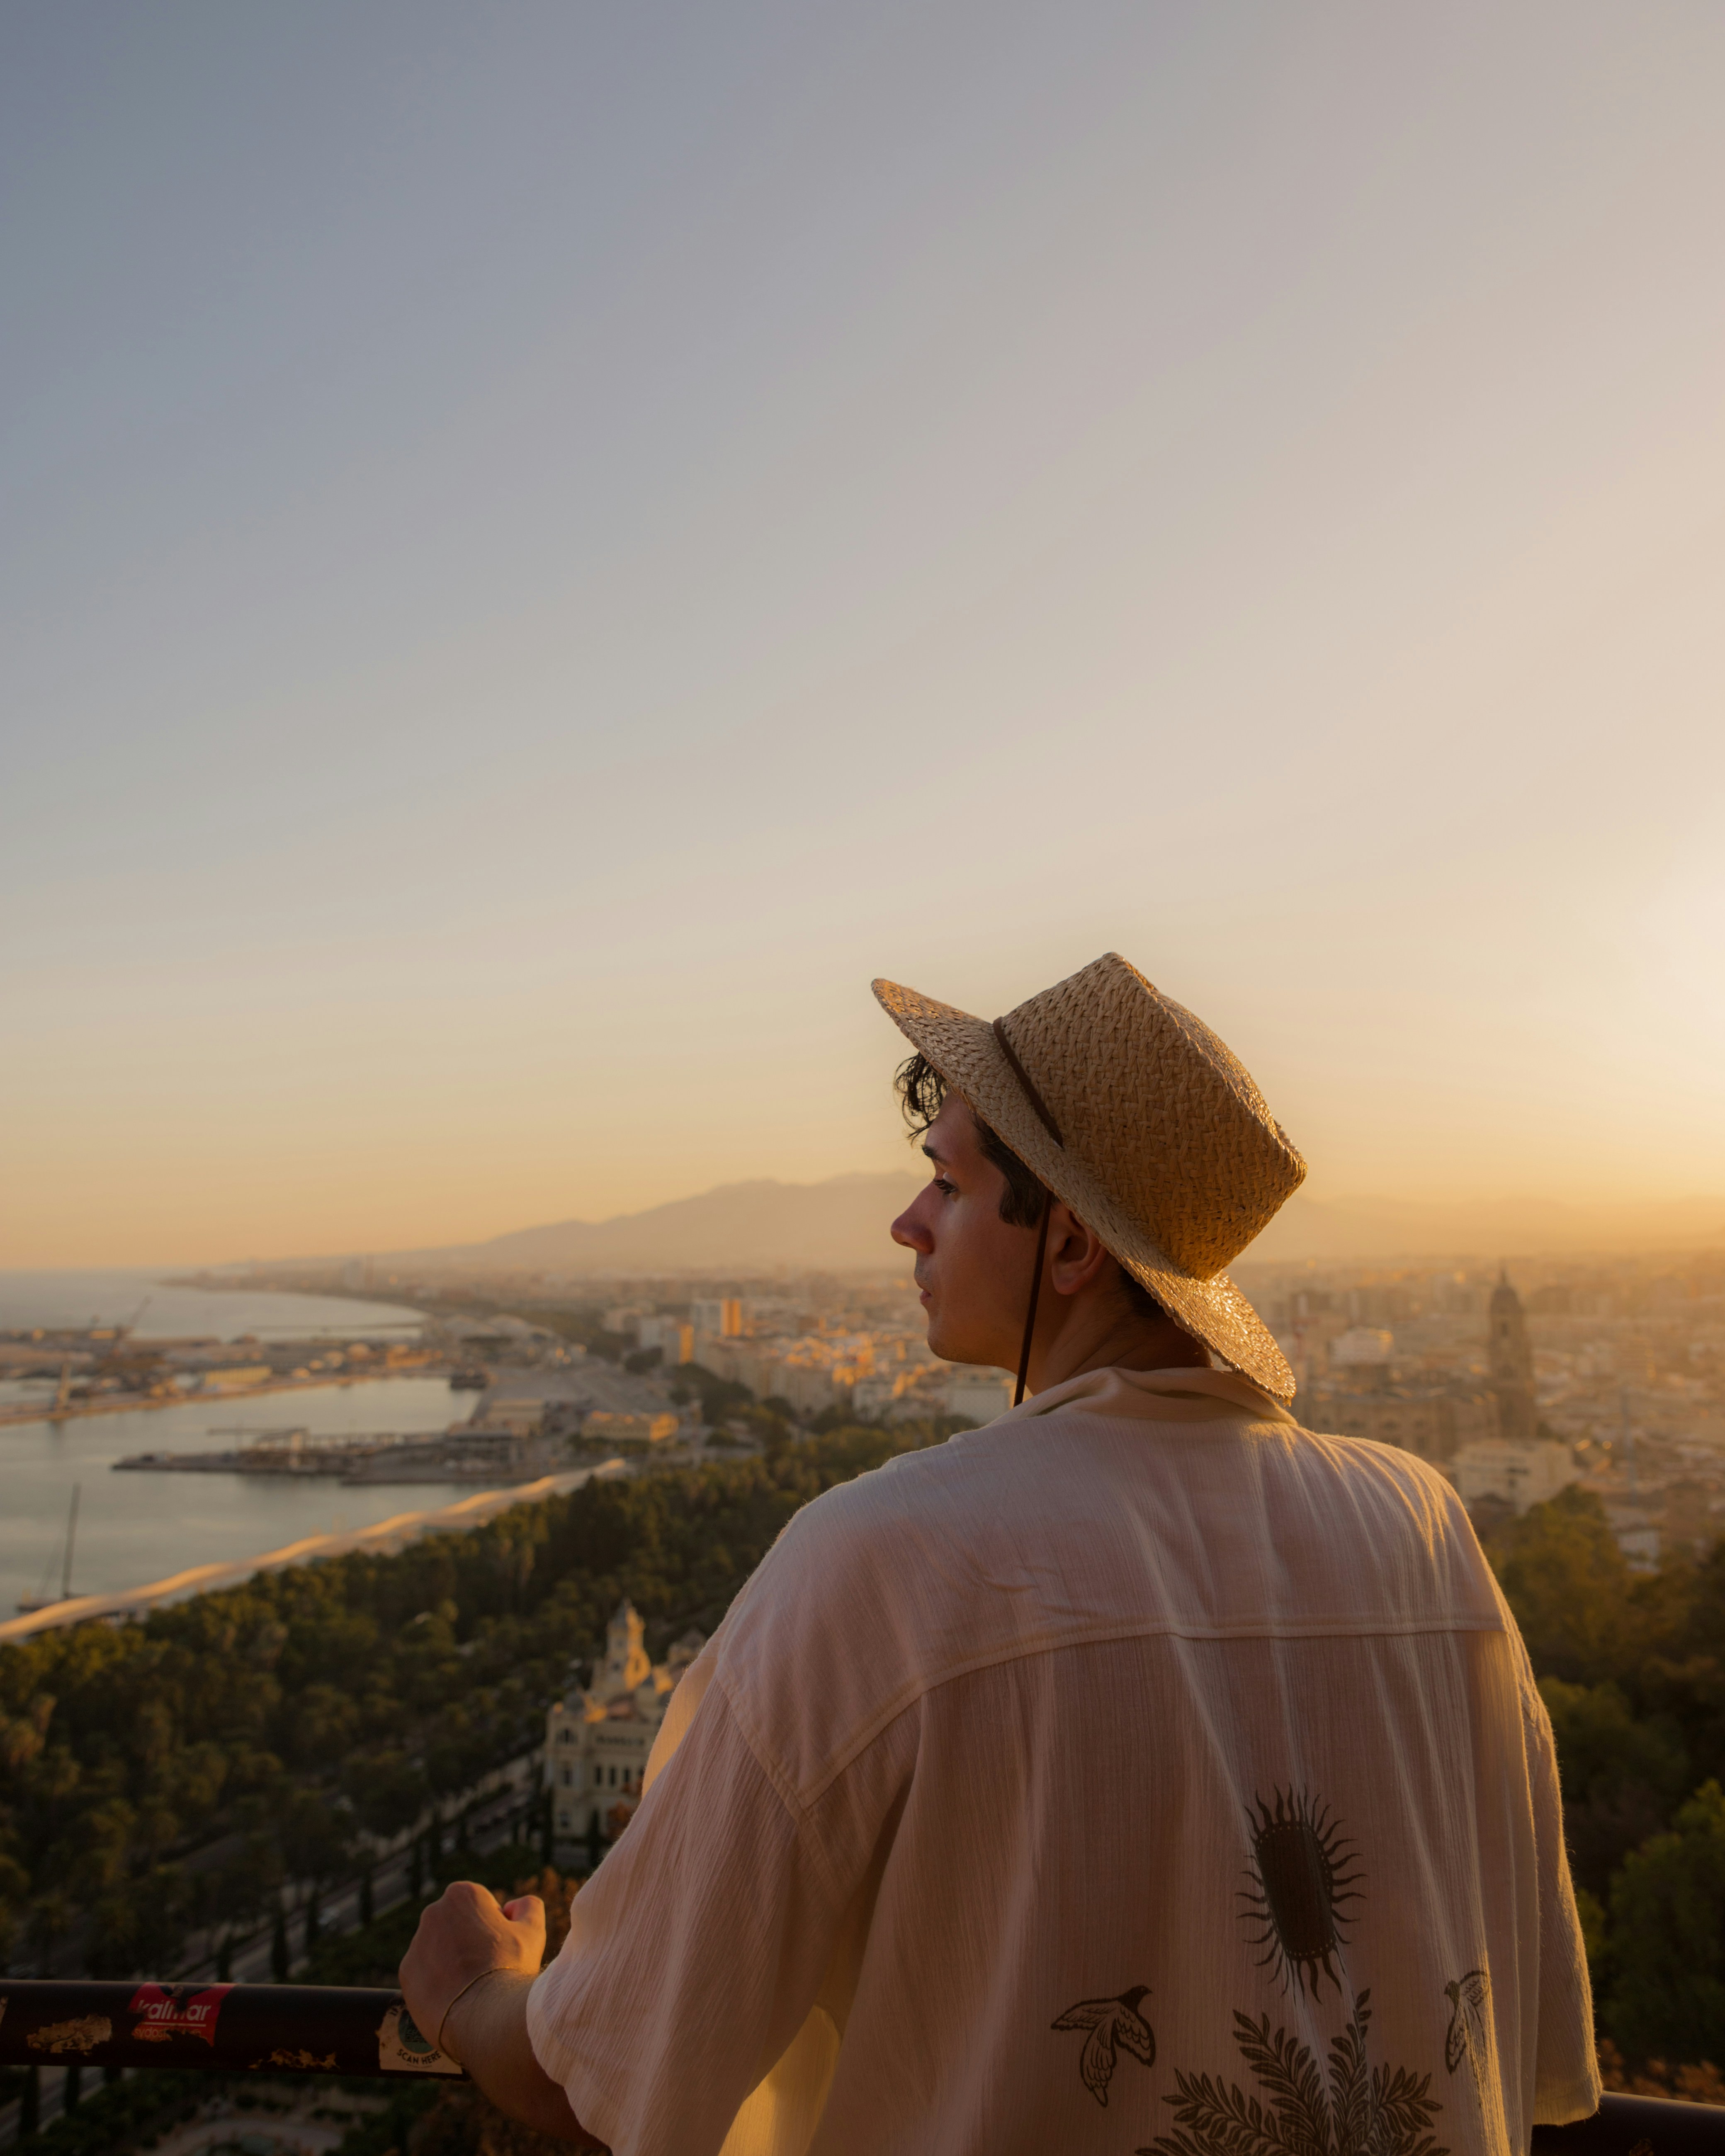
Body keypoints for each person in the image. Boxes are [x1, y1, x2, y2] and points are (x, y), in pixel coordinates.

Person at [401, 952, 1599, 2156]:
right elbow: (1521, 2045)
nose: (907, 1223)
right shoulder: (1430, 1533)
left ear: (1071, 1248)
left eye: (950, 1186)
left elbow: (601, 2067)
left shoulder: (884, 1564)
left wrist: (473, 1993)